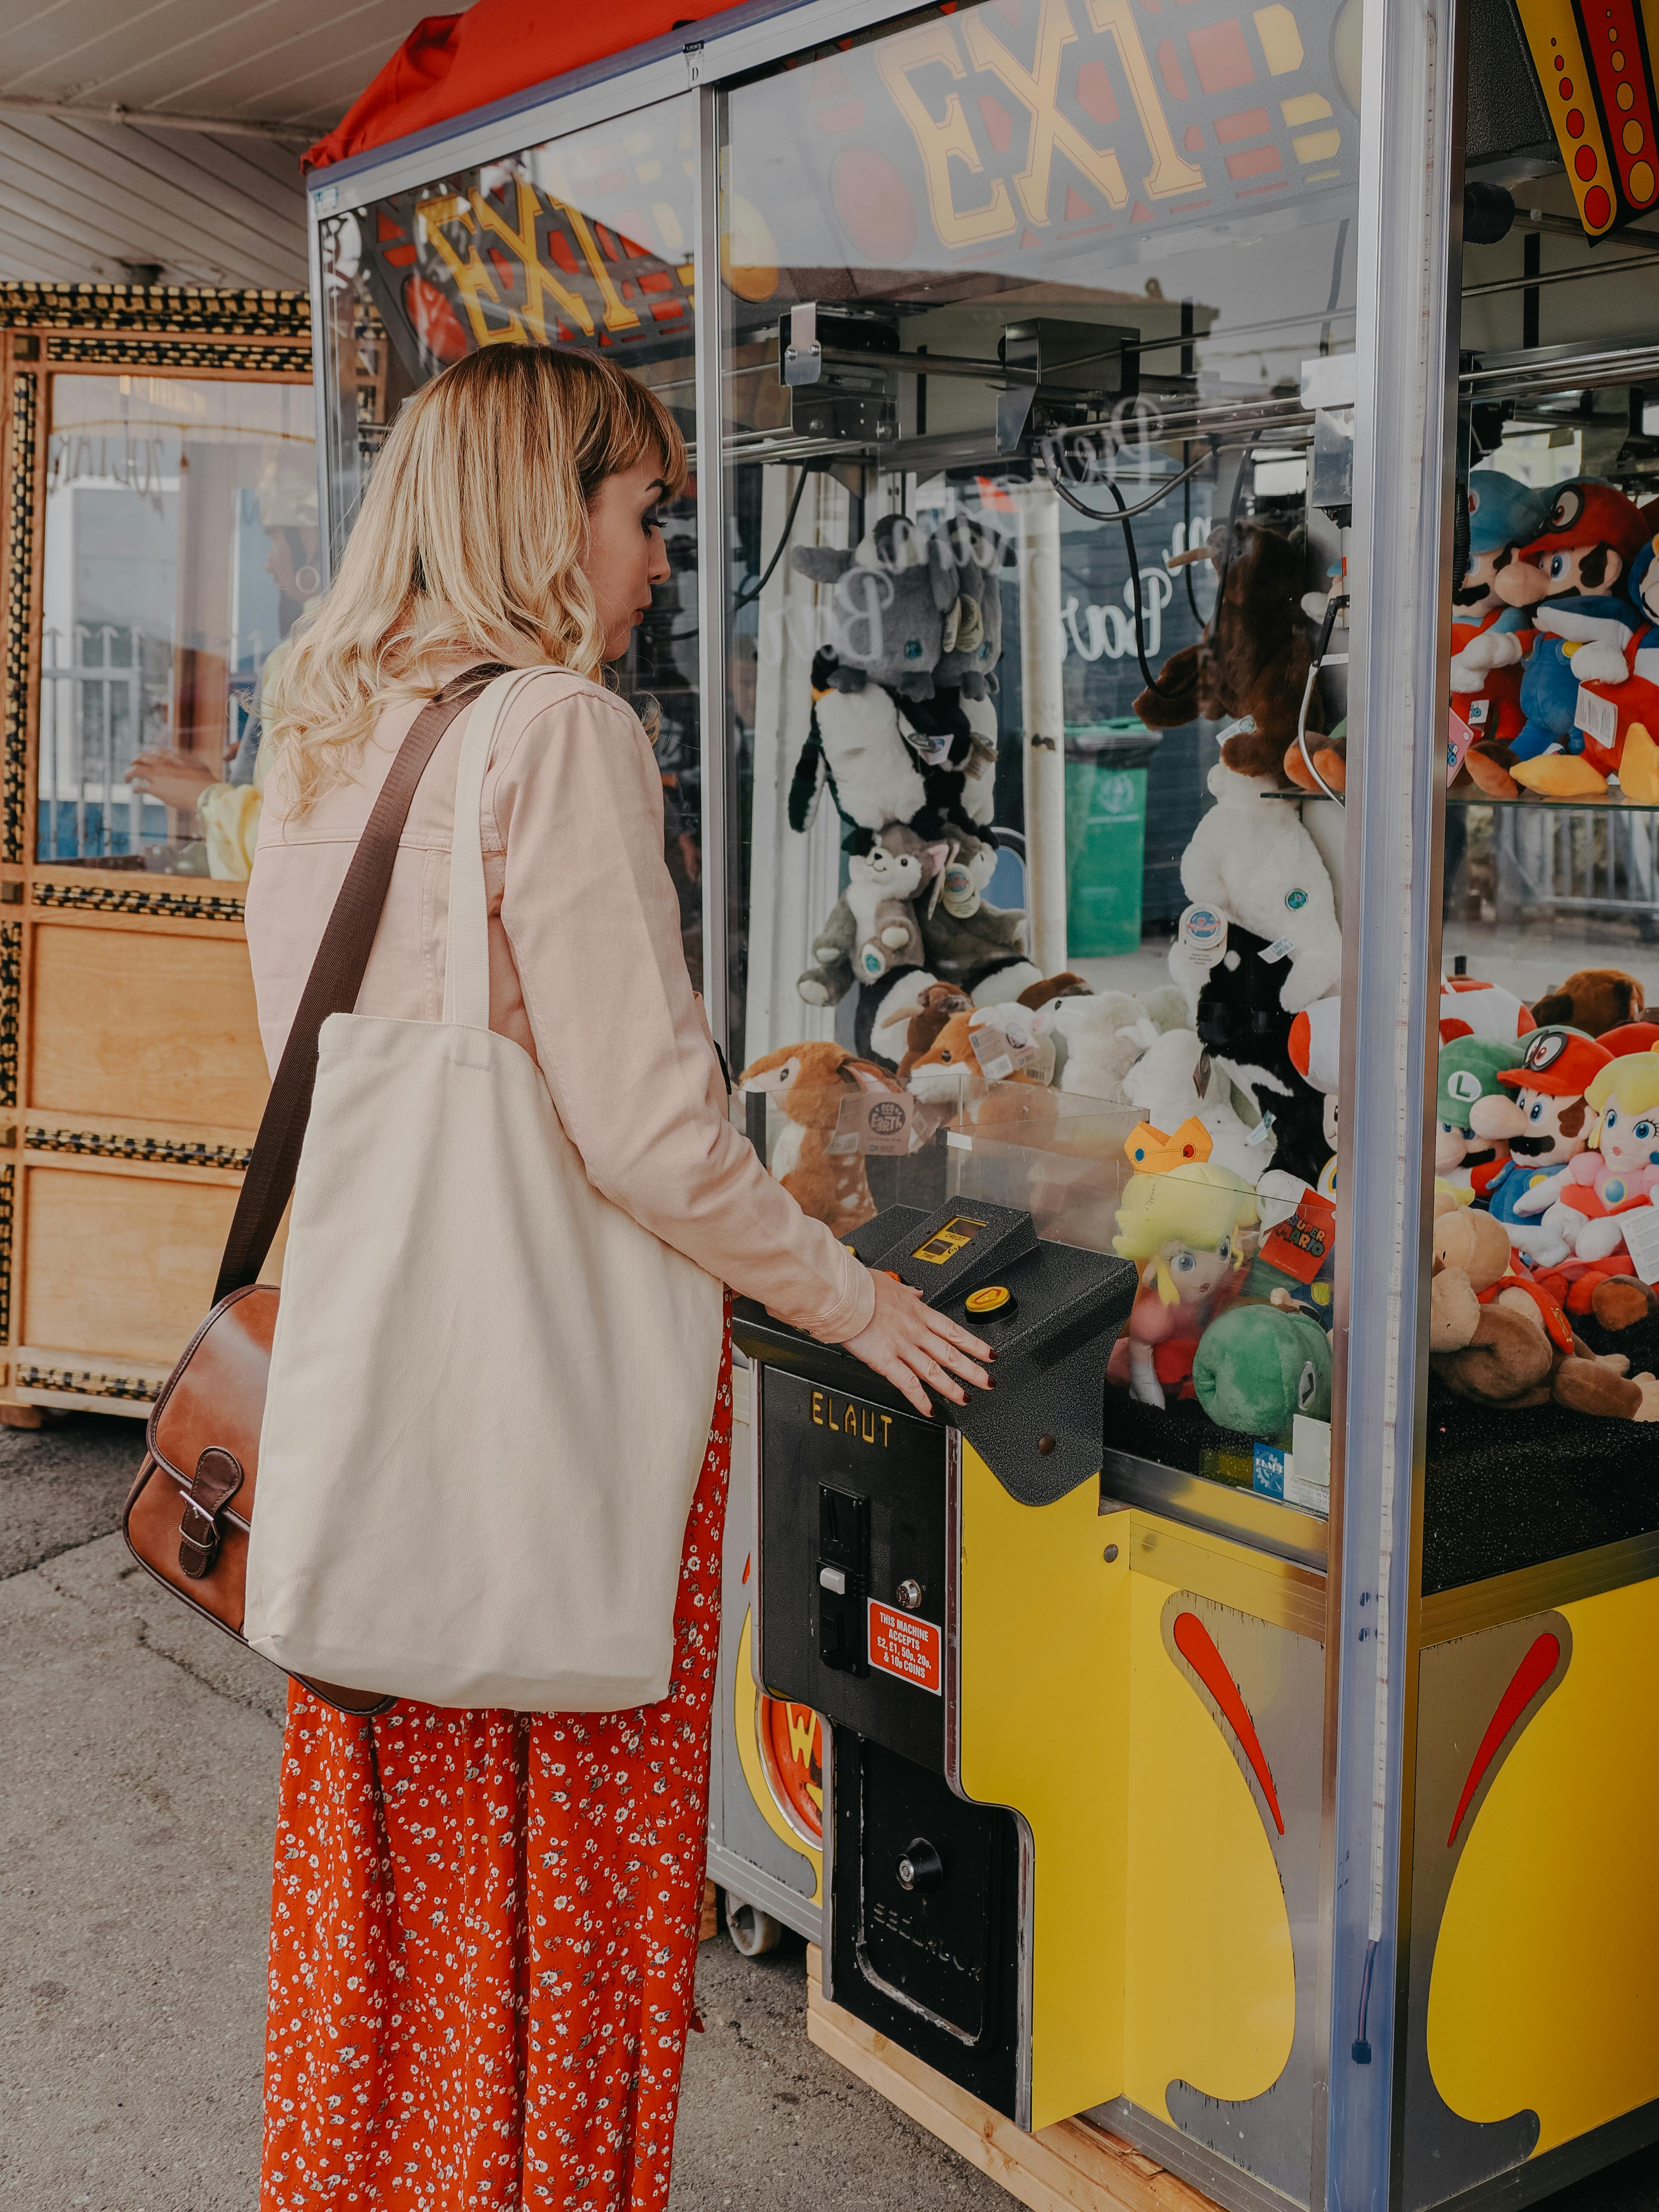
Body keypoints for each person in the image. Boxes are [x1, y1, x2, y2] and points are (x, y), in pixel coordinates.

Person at [243, 343, 991, 2212]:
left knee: (405, 1894)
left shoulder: (325, 735)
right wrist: (854, 1297)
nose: (660, 561)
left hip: (379, 1410)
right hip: (543, 1421)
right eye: (641, 514)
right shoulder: (555, 736)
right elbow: (652, 1135)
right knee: (560, 1887)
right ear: (542, 512)